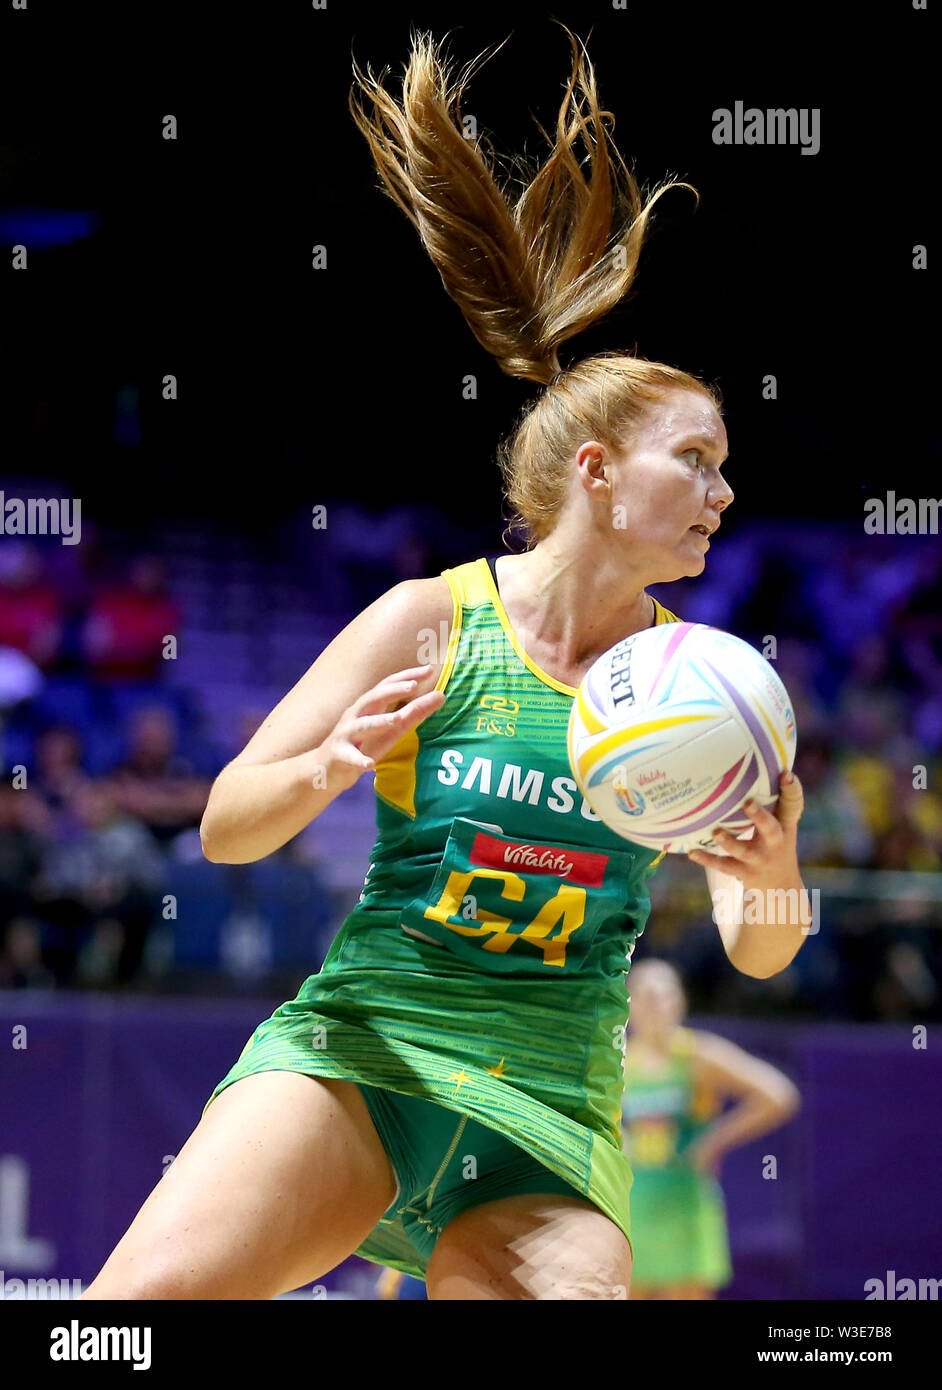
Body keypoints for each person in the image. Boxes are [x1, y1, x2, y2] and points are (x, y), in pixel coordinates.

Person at [82, 28, 807, 1302]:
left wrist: (776, 872)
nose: (723, 490)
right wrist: (329, 761)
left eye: (724, 466)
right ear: (595, 471)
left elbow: (760, 954)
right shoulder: (432, 619)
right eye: (697, 458)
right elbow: (228, 831)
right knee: (120, 1328)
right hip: (366, 1051)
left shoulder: (713, 691)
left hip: (549, 1106)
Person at [621, 959, 800, 1299]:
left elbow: (779, 1095)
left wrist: (715, 1140)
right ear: (628, 1003)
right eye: (643, 996)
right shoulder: (620, 1062)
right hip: (633, 1208)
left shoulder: (699, 1055)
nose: (653, 1004)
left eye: (663, 995)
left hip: (685, 1204)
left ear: (680, 1001)